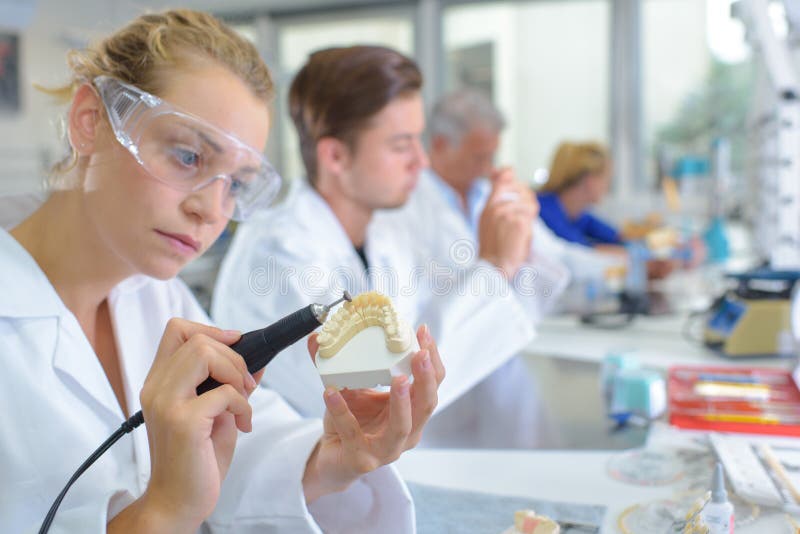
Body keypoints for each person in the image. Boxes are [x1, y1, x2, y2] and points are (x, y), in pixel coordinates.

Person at [1, 11, 444, 533]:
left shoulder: (157, 298)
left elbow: (233, 455)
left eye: (236, 184)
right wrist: (163, 510)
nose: (212, 210)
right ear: (91, 123)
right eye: (188, 155)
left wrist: (335, 456)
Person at [212, 46, 541, 447]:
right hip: (315, 491)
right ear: (335, 156)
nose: (421, 161)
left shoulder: (386, 233)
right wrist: (495, 266)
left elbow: (425, 334)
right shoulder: (281, 254)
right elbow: (377, 403)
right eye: (401, 145)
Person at [538, 140, 677, 279]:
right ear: (590, 180)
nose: (608, 186)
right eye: (607, 178)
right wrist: (641, 262)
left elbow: (618, 237)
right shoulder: (543, 210)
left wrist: (659, 249)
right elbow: (583, 253)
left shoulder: (578, 214)